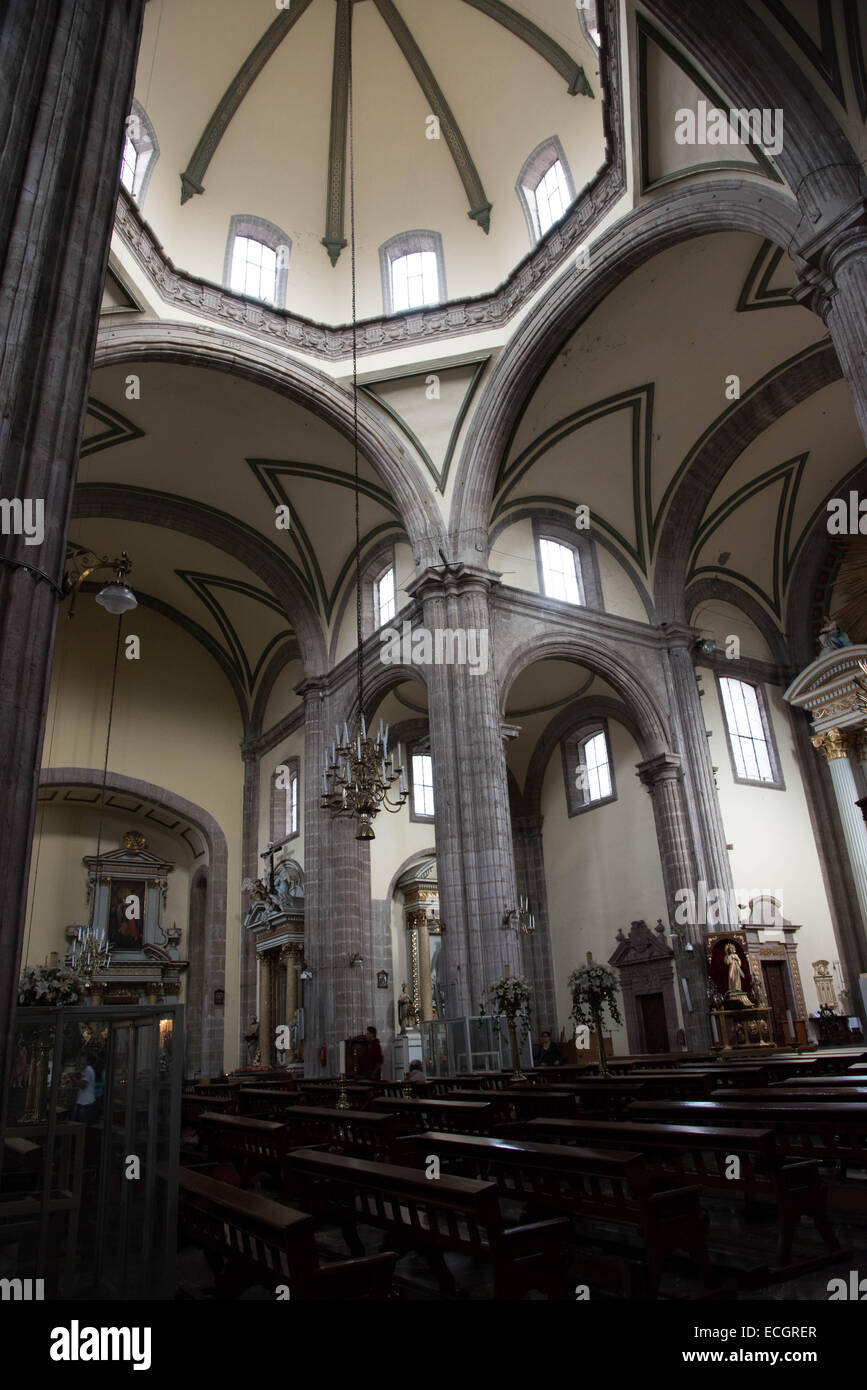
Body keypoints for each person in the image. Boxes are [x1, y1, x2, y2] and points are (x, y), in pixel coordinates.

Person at [72, 1053, 98, 1124]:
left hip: (85, 1104)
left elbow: (83, 1085)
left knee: (81, 1126)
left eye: (81, 1060)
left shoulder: (88, 1070)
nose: (79, 1062)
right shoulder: (85, 1071)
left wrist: (73, 1078)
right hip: (82, 1102)